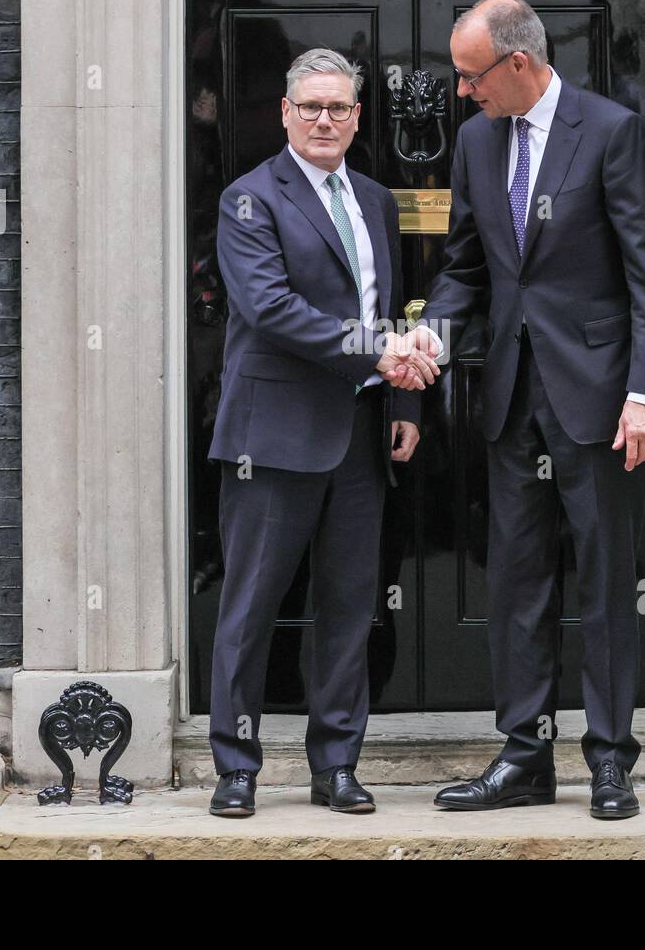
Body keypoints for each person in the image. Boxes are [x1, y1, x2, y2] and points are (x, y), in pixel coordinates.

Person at [389, 0, 645, 820]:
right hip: (511, 396)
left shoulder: (613, 132)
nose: (460, 92)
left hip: (600, 401)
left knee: (602, 580)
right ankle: (524, 756)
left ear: (518, 65)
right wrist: (433, 340)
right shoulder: (479, 141)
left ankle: (610, 762)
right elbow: (466, 268)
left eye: (470, 75)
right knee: (517, 582)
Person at [207, 48, 438, 817]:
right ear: (284, 113)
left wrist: (403, 399)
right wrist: (377, 352)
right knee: (252, 606)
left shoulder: (375, 198)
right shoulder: (249, 200)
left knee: (348, 607)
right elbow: (272, 310)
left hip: (362, 435)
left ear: (358, 116)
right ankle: (236, 769)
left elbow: (395, 305)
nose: (325, 120)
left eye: (339, 108)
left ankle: (336, 764)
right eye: (310, 107)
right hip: (272, 437)